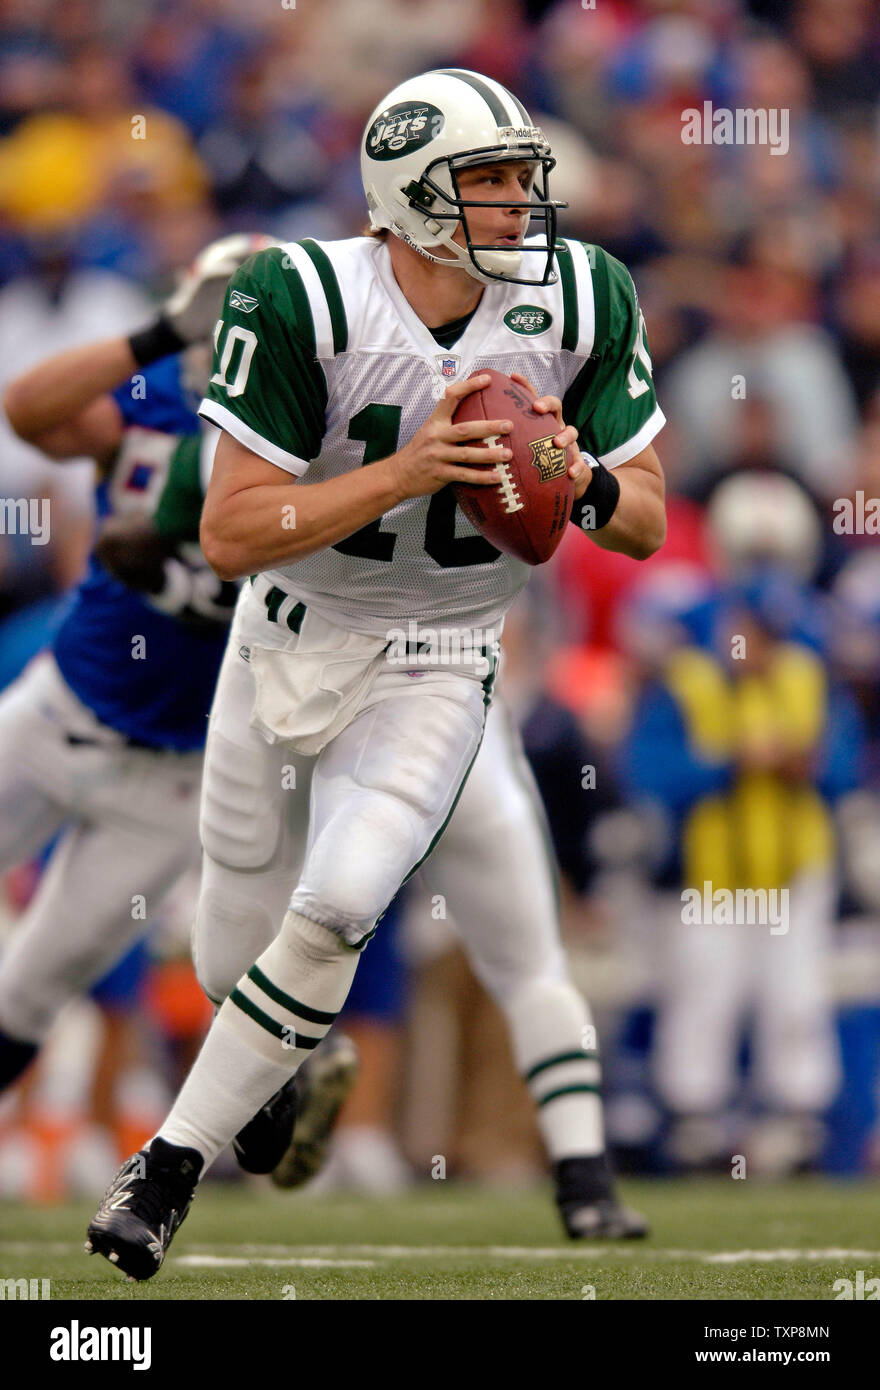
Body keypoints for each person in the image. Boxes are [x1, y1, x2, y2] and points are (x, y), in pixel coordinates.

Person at [87, 67, 666, 1281]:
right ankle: (281, 1072)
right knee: (230, 945)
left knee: (343, 902)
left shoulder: (580, 294)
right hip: (287, 634)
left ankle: (162, 1171)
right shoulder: (300, 295)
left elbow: (646, 522)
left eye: (521, 177)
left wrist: (580, 476)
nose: (518, 203)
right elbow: (231, 534)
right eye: (487, 180)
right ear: (408, 195)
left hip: (442, 657)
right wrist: (407, 472)